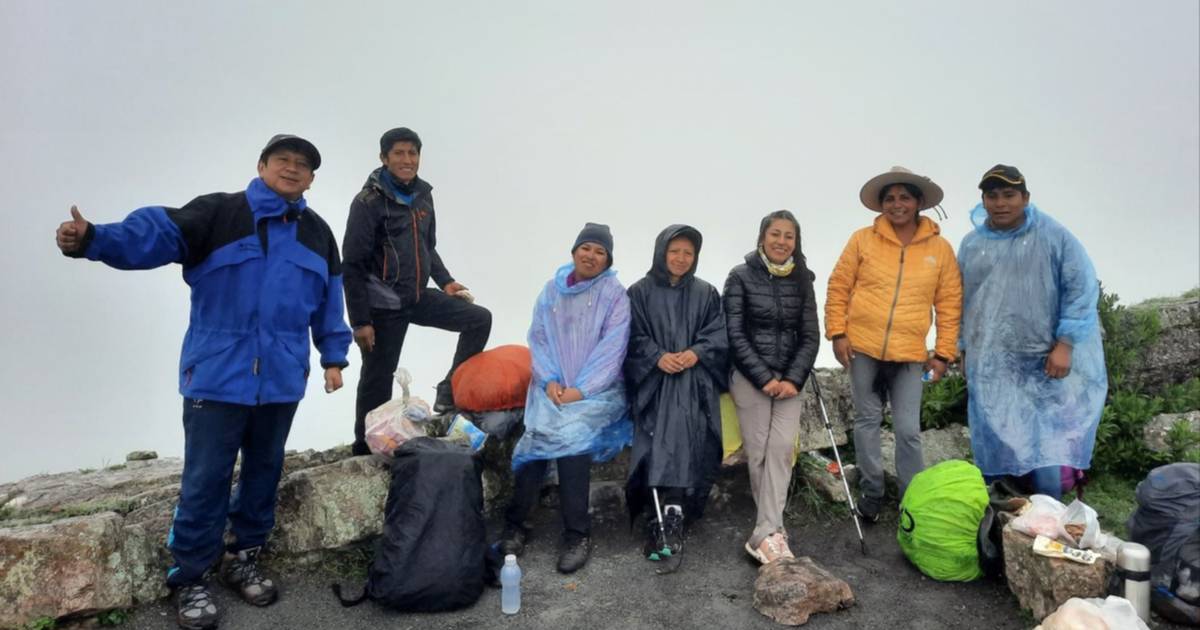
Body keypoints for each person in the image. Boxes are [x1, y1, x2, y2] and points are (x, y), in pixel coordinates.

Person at [54, 135, 352, 630]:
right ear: (261, 165)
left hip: (281, 378)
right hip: (216, 375)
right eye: (284, 160)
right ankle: (190, 577)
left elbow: (329, 299)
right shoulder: (219, 213)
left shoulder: (318, 234)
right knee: (205, 480)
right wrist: (95, 238)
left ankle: (244, 557)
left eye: (304, 165)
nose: (293, 169)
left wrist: (333, 356)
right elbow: (156, 232)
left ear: (312, 179)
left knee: (263, 473)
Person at [957, 165, 1106, 499]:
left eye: (1009, 195)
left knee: (1048, 445)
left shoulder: (1054, 236)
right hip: (994, 363)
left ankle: (1049, 514)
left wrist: (1065, 344)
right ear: (983, 200)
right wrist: (964, 349)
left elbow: (1080, 289)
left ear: (1025, 197)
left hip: (1045, 360)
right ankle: (1000, 522)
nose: (1001, 203)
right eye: (992, 195)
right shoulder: (971, 246)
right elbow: (962, 300)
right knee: (997, 437)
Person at [342, 127, 492, 455]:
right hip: (383, 303)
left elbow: (427, 246)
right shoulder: (368, 202)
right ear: (384, 158)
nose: (407, 160)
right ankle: (365, 447)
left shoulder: (423, 195)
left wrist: (447, 282)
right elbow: (351, 265)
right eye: (399, 153)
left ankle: (448, 391)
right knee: (377, 377)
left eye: (413, 153)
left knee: (479, 319)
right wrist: (360, 320)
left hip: (419, 295)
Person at [825, 166, 962, 522]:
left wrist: (944, 353)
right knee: (867, 422)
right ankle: (871, 493)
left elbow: (948, 304)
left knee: (907, 431)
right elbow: (838, 286)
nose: (897, 204)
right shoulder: (862, 240)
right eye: (890, 198)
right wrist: (838, 333)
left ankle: (911, 500)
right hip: (863, 348)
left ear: (919, 202)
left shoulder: (940, 249)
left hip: (909, 355)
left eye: (904, 197)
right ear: (881, 205)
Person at [498, 223, 632, 574]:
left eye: (600, 252)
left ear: (608, 260)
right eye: (586, 248)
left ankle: (577, 534)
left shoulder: (614, 294)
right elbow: (538, 338)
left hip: (598, 393)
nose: (591, 256)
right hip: (551, 389)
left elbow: (613, 348)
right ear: (574, 252)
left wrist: (581, 390)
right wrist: (550, 381)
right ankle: (516, 526)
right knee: (536, 437)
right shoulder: (550, 292)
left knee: (573, 439)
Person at [624, 225, 729, 560]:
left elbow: (718, 335)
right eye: (675, 251)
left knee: (684, 410)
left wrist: (696, 352)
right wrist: (658, 357)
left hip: (694, 380)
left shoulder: (707, 293)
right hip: (652, 382)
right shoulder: (638, 293)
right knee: (665, 413)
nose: (681, 258)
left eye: (688, 252)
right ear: (661, 252)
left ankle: (672, 510)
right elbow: (631, 337)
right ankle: (665, 509)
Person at [724, 210, 821, 564]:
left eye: (789, 236)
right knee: (760, 451)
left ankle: (765, 533)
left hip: (790, 380)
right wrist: (765, 377)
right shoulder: (739, 276)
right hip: (750, 376)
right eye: (775, 234)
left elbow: (811, 335)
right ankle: (772, 532)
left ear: (796, 242)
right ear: (762, 237)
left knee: (781, 448)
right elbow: (734, 334)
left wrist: (792, 378)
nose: (782, 242)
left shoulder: (802, 280)